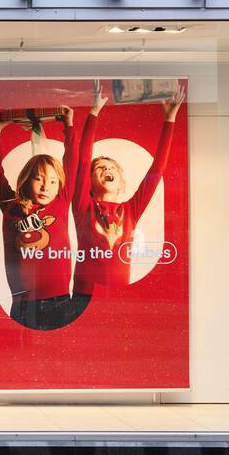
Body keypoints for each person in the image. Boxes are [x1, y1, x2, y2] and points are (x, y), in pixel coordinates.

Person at [0, 104, 93, 331]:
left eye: (53, 181)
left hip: (59, 301)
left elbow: (72, 161)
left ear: (60, 185)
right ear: (26, 179)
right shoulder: (11, 205)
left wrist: (68, 125)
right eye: (38, 179)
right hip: (23, 305)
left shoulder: (61, 201)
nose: (46, 186)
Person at [71, 80, 183, 296]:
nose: (106, 169)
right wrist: (94, 112)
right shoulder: (83, 206)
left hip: (120, 296)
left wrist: (170, 119)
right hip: (84, 299)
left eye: (111, 167)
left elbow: (157, 170)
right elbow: (84, 162)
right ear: (89, 181)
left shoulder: (130, 210)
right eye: (100, 168)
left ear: (121, 183)